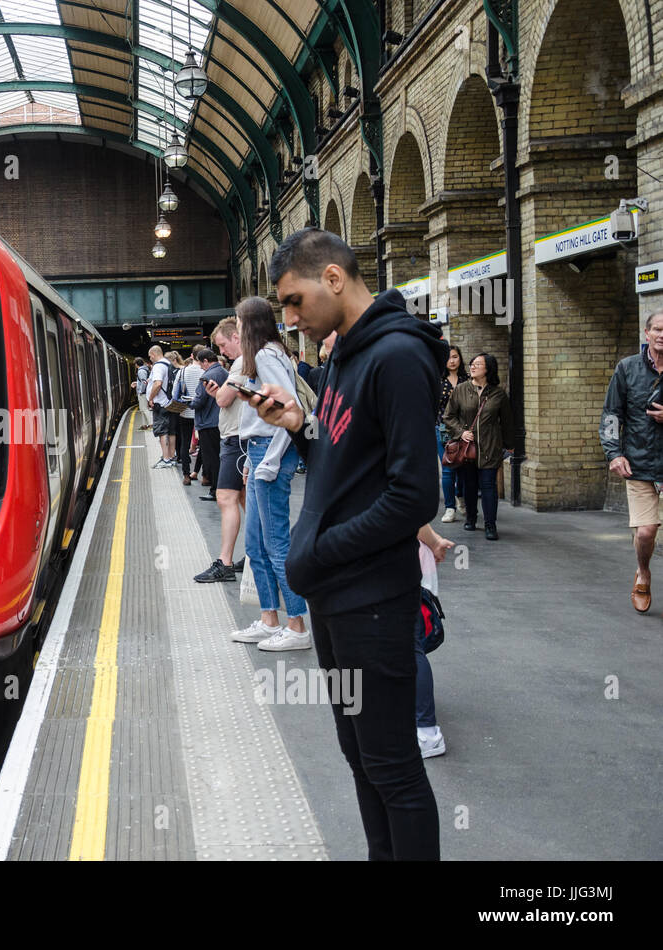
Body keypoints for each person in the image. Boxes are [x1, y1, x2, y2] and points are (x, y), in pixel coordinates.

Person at [246, 226, 445, 861]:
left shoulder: (396, 358)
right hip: (337, 600)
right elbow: (343, 458)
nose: (291, 317)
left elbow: (413, 497)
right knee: (359, 755)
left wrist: (321, 552)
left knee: (393, 766)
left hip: (374, 602)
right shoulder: (344, 356)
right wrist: (300, 427)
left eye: (295, 300)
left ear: (334, 278)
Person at [228, 297, 311, 651]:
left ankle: (297, 626)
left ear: (251, 323)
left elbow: (287, 408)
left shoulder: (264, 355)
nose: (237, 327)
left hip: (270, 453)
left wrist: (270, 460)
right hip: (259, 452)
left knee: (276, 544)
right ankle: (269, 618)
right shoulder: (269, 354)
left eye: (239, 321)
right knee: (256, 544)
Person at [600, 310, 663, 614]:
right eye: (658, 329)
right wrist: (614, 453)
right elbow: (612, 414)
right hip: (639, 462)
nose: (662, 335)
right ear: (647, 333)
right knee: (647, 532)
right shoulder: (627, 368)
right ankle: (644, 571)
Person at [194, 317, 248, 583]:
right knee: (245, 501)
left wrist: (218, 393)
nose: (221, 352)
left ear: (236, 337)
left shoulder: (241, 363)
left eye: (223, 345)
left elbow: (225, 399)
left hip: (236, 440)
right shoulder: (240, 364)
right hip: (239, 439)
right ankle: (253, 555)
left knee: (225, 498)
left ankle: (224, 562)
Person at [442, 352, 514, 540]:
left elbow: (507, 421)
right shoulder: (461, 390)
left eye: (478, 364)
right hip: (467, 449)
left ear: (488, 369)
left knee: (489, 486)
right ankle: (471, 519)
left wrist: (510, 445)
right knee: (470, 485)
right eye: (472, 364)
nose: (473, 366)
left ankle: (491, 525)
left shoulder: (498, 394)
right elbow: (448, 416)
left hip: (491, 447)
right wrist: (460, 432)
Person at [416, 524, 453, 758]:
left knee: (408, 647)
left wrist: (435, 541)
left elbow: (413, 513)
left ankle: (427, 733)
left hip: (394, 568)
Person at [437, 345, 465, 522]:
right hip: (443, 429)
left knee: (464, 468)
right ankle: (450, 508)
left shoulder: (467, 379)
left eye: (455, 357)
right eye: (448, 357)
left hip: (464, 430)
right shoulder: (437, 380)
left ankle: (461, 497)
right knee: (448, 468)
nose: (452, 360)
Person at [189, 348, 221, 500]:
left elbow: (200, 401)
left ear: (206, 361)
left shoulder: (207, 376)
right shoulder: (224, 373)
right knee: (219, 457)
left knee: (211, 460)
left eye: (201, 364)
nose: (201, 367)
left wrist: (189, 402)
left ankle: (215, 491)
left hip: (207, 422)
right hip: (220, 422)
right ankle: (220, 488)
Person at [172, 349, 204, 485]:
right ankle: (205, 475)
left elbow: (174, 392)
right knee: (204, 445)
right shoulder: (205, 372)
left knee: (184, 443)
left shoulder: (183, 371)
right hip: (202, 413)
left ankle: (186, 475)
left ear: (192, 356)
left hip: (185, 412)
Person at [146, 344, 177, 467]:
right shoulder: (168, 364)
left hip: (161, 404)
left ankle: (165, 459)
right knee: (171, 431)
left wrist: (151, 398)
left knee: (162, 432)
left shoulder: (158, 366)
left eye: (150, 356)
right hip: (169, 403)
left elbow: (158, 384)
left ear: (153, 354)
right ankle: (171, 456)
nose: (150, 358)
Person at [135, 357, 151, 430]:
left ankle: (151, 424)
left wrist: (141, 391)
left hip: (143, 393)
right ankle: (144, 425)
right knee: (142, 409)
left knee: (144, 409)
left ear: (136, 364)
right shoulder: (144, 369)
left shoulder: (141, 371)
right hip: (143, 392)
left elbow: (144, 382)